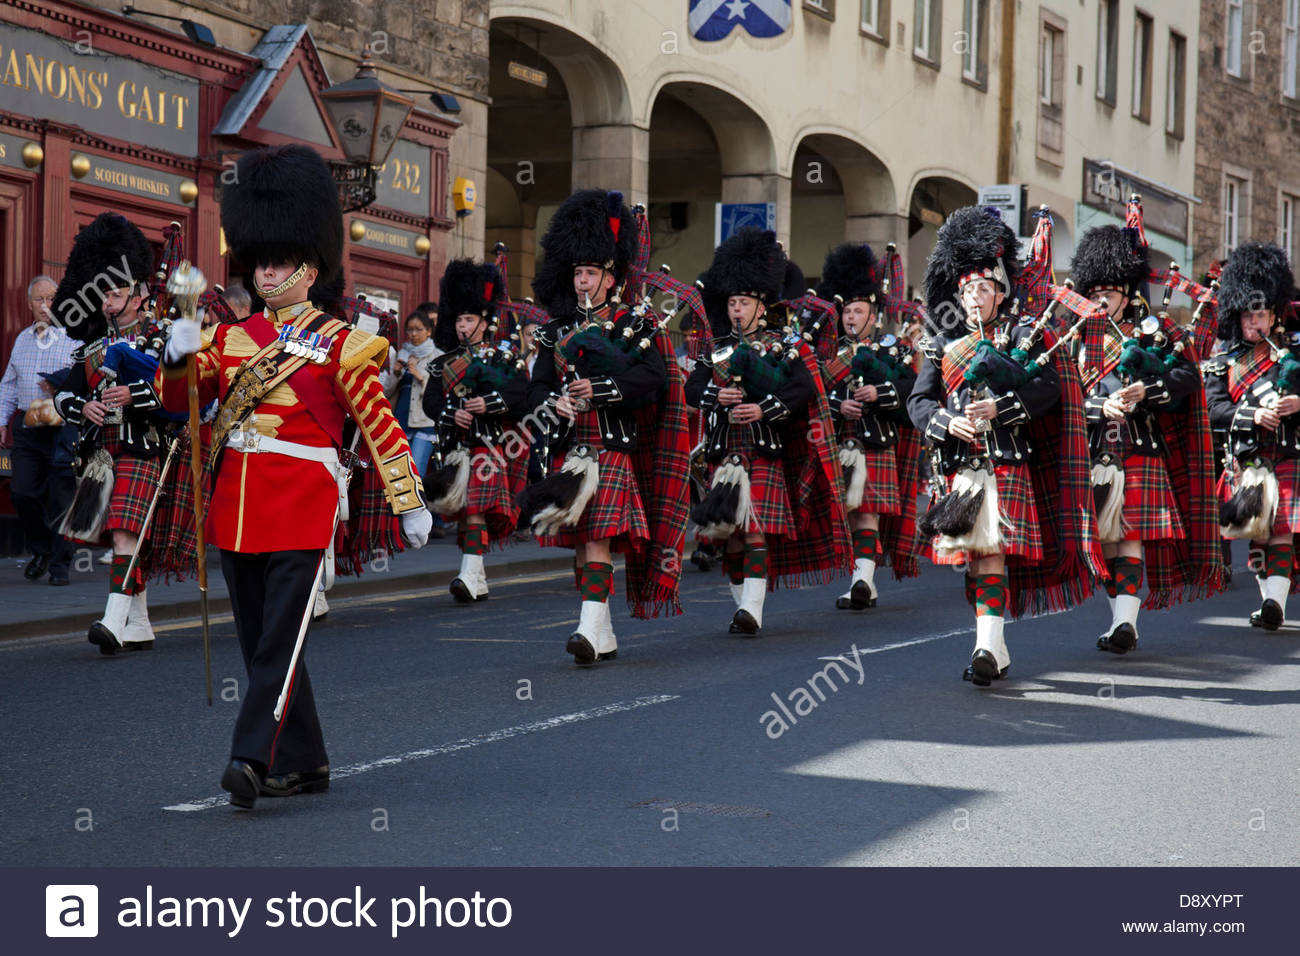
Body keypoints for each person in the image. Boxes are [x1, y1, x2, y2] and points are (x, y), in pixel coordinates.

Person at [158, 144, 432, 810]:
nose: (267, 271)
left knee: (279, 638)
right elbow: (182, 404)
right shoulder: (227, 338)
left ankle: (250, 756)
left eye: (280, 262)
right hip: (238, 506)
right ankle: (305, 761)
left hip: (305, 505)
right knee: (257, 641)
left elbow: (377, 422)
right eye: (260, 261)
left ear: (310, 270)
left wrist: (408, 498)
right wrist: (177, 355)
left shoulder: (342, 343)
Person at [908, 206, 1102, 687]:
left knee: (991, 555)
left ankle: (983, 650)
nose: (975, 298)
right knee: (974, 567)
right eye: (968, 289)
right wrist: (947, 422)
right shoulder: (942, 344)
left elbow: (1049, 390)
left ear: (1000, 292)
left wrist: (1001, 408)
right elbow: (918, 401)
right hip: (959, 466)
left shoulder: (1022, 336)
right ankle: (995, 645)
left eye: (984, 289)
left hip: (1007, 463)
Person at [521, 188, 690, 665]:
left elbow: (653, 380)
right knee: (581, 542)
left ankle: (588, 629)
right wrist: (555, 403)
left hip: (613, 447)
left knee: (594, 537)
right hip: (571, 448)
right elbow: (534, 389)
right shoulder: (555, 332)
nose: (581, 282)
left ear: (611, 277)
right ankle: (602, 629)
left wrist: (601, 391)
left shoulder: (634, 324)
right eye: (577, 273)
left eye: (590, 273)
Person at [684, 229, 848, 635]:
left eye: (744, 303)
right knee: (732, 537)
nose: (737, 310)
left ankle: (752, 609)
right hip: (725, 453)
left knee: (754, 527)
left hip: (764, 447)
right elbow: (690, 389)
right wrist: (715, 396)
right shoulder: (717, 347)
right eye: (733, 303)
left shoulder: (785, 344)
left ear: (762, 306)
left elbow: (805, 386)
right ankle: (744, 605)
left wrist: (763, 407)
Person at [1071, 222, 1222, 653]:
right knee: (1100, 541)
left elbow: (1188, 378)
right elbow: (1057, 399)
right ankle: (1120, 613)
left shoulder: (1156, 335)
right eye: (1095, 291)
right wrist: (1100, 407)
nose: (1102, 299)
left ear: (1128, 291)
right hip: (1092, 449)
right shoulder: (1073, 339)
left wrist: (1146, 392)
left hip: (1139, 447)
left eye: (1110, 291)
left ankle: (1125, 623)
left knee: (1130, 534)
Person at [51, 213, 173, 652]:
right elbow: (63, 397)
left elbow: (180, 399)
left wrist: (133, 395)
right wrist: (84, 404)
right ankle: (138, 622)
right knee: (119, 535)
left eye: (117, 292)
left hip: (143, 447)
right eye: (103, 292)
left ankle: (113, 618)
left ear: (140, 295)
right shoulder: (91, 347)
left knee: (124, 531)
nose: (107, 300)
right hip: (100, 452)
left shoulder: (161, 338)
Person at [816, 243, 921, 611]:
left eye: (858, 311)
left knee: (867, 511)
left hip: (876, 441)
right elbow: (811, 396)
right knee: (846, 513)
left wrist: (880, 392)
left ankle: (863, 581)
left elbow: (911, 390)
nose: (850, 317)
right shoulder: (827, 355)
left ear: (873, 316)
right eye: (846, 310)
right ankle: (862, 577)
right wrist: (836, 404)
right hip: (839, 441)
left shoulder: (893, 351)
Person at [1204, 242, 1300, 630]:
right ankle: (1269, 601)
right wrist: (1253, 413)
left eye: (1260, 313)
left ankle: (1274, 603)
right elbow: (1213, 410)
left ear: (1275, 314)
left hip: (1289, 452)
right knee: (1259, 536)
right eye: (1247, 314)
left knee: (1279, 530)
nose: (1253, 321)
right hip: (1248, 457)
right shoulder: (1221, 360)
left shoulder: (1293, 352)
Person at [421, 259, 528, 603]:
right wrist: (452, 414)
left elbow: (523, 397)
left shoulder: (505, 358)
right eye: (459, 319)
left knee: (476, 507)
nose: (462, 325)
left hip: (490, 443)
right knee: (466, 510)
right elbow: (431, 404)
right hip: (456, 446)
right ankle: (476, 573)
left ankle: (468, 571)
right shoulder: (441, 363)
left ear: (485, 322)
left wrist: (491, 403)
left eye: (469, 319)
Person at [0, 276, 78, 585]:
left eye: (51, 299)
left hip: (62, 425)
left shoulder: (75, 337)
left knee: (61, 499)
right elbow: (8, 384)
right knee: (21, 492)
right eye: (39, 300)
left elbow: (86, 380)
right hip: (28, 424)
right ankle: (42, 548)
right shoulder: (21, 339)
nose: (46, 306)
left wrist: (58, 383)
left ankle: (60, 564)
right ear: (29, 303)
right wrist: (2, 421)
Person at [394, 309, 440, 476]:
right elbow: (388, 391)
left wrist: (420, 377)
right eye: (410, 330)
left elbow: (440, 391)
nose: (413, 334)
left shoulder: (437, 356)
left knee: (416, 472)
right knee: (400, 472)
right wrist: (396, 373)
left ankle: (419, 503)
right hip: (402, 418)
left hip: (424, 421)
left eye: (418, 329)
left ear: (428, 331)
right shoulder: (403, 353)